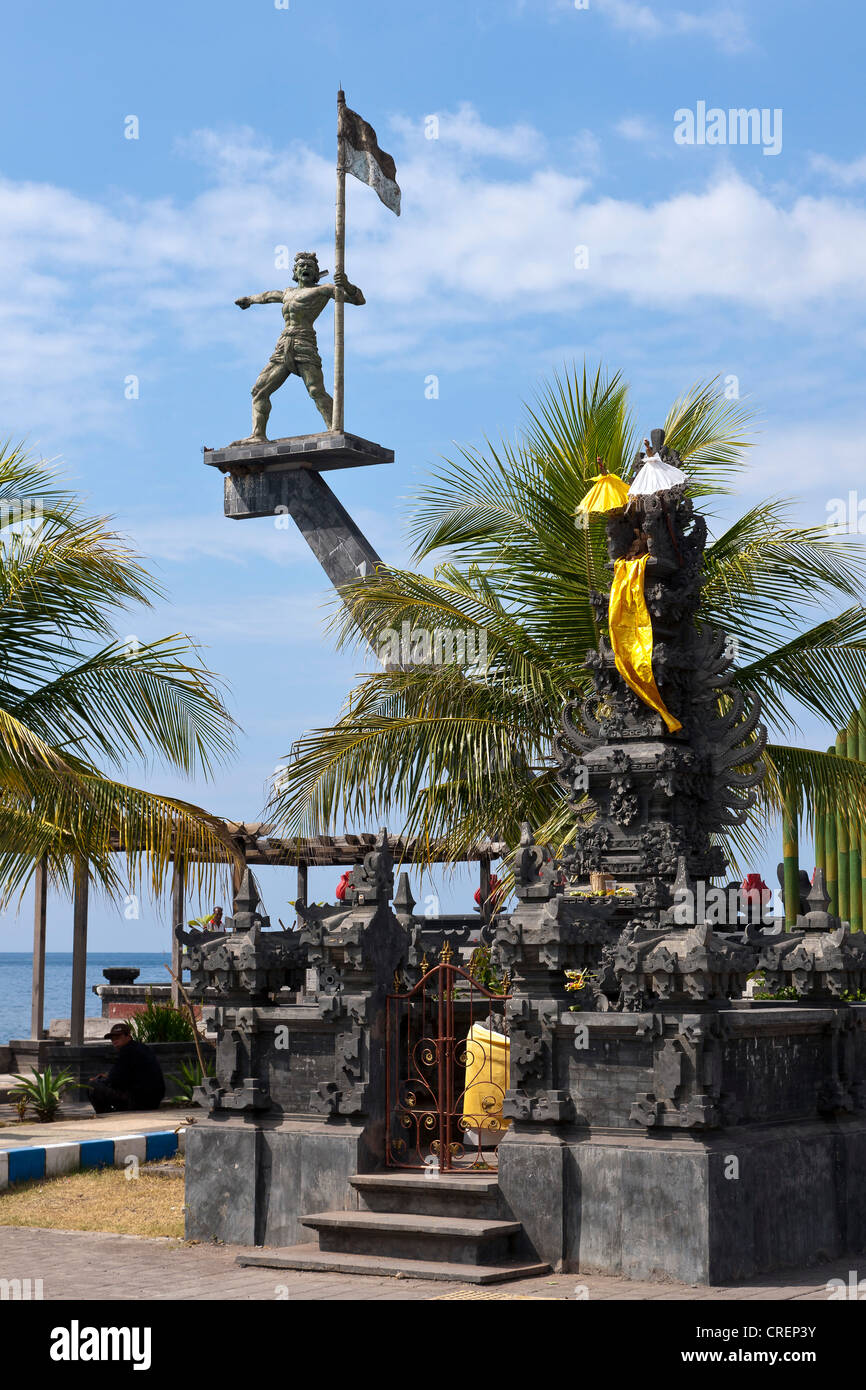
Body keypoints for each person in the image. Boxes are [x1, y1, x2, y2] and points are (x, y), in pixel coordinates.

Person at [231, 251, 365, 440]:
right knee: (259, 391)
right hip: (284, 343)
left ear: (316, 271)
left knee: (316, 390)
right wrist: (249, 300)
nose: (305, 269)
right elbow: (268, 296)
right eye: (301, 266)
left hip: (304, 341)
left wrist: (347, 284)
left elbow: (358, 300)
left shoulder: (323, 290)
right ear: (295, 271)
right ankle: (257, 435)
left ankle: (334, 428)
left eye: (309, 266)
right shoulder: (288, 292)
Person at [87, 1022, 166, 1114]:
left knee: (92, 1086)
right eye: (112, 1039)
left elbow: (114, 1080)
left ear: (128, 1036)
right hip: (152, 1101)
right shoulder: (141, 1047)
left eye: (118, 1038)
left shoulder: (127, 1051)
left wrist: (99, 1080)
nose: (114, 1041)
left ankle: (106, 1114)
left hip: (140, 1101)